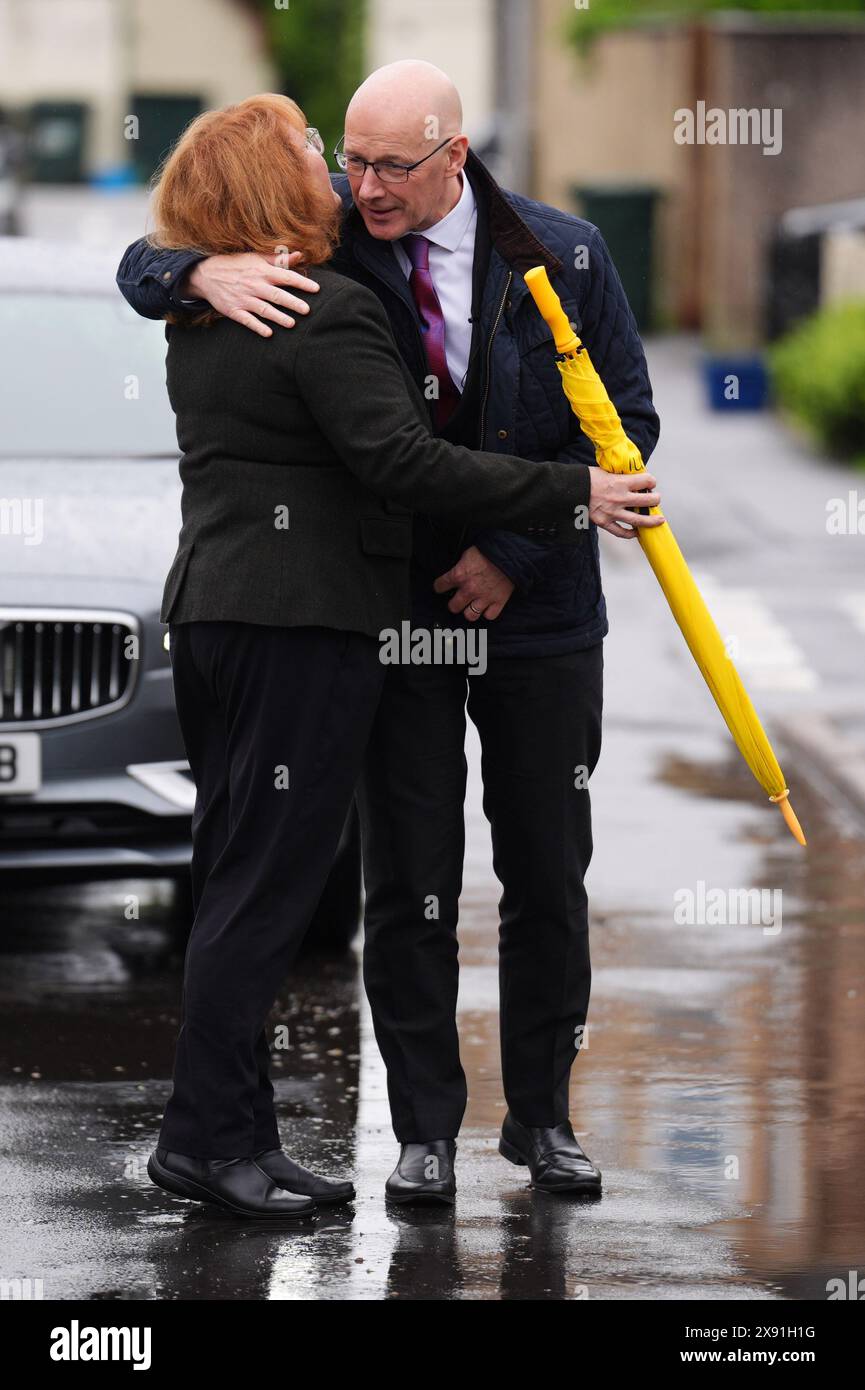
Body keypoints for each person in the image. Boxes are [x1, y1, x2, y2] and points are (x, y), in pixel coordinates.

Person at [118, 67, 663, 1206]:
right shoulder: (331, 248)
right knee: (406, 877)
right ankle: (422, 1131)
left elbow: (628, 417)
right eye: (346, 163)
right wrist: (190, 267)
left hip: (539, 610)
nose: (360, 186)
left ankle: (545, 1121)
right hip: (389, 615)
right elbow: (161, 243)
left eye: (388, 168)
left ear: (454, 156)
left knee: (547, 868)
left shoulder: (561, 252)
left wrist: (509, 558)